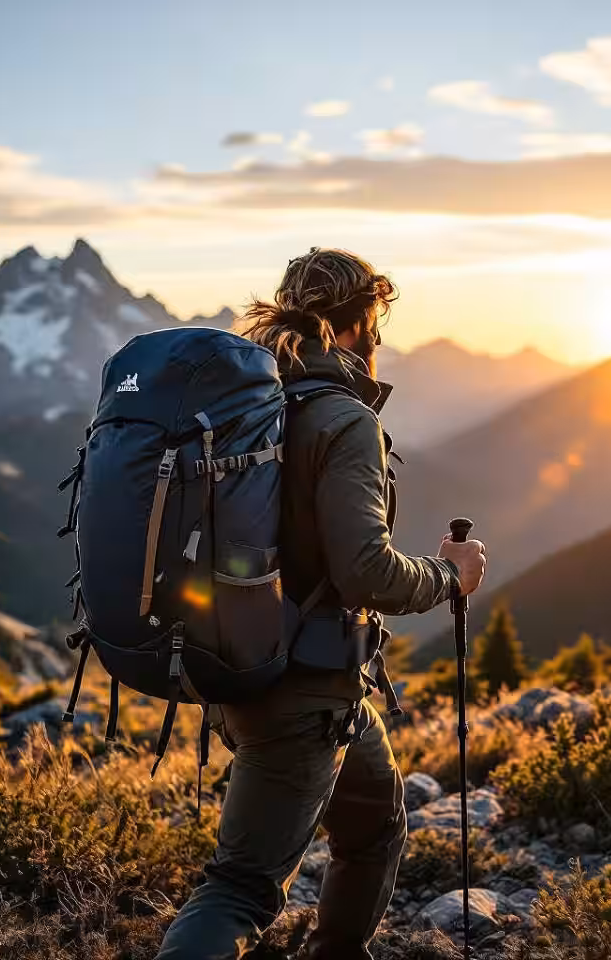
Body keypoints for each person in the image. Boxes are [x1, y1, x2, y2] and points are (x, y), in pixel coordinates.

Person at [155, 248, 488, 960]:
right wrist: (448, 576)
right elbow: (366, 572)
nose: (380, 338)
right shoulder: (341, 417)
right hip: (301, 692)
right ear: (358, 321)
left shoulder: (253, 406)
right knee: (242, 887)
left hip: (259, 665)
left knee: (373, 822)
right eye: (376, 321)